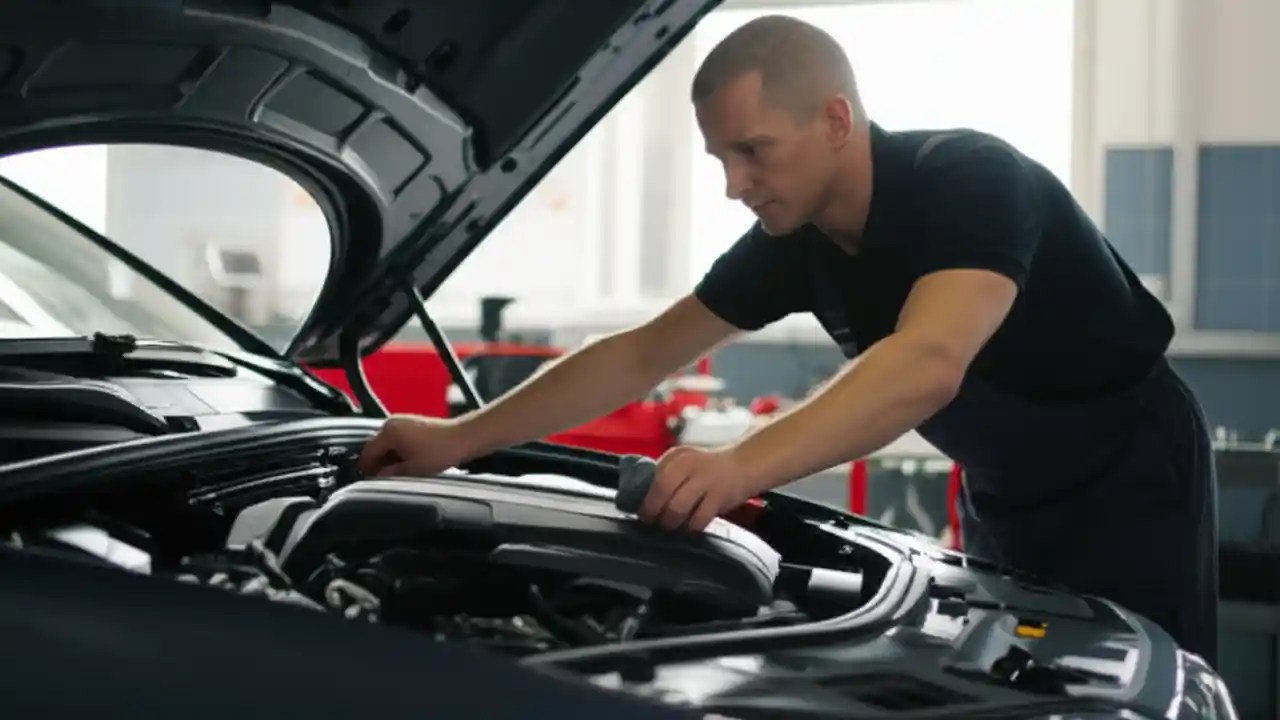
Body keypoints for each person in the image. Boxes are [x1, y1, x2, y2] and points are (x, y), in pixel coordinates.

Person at [358, 15, 1219, 665]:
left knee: (1138, 682)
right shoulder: (795, 242)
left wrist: (738, 466)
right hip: (1004, 489)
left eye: (754, 150)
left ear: (837, 120)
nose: (736, 184)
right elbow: (643, 352)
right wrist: (456, 439)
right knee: (1017, 681)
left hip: (1129, 476)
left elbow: (928, 363)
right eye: (720, 160)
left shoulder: (972, 181)